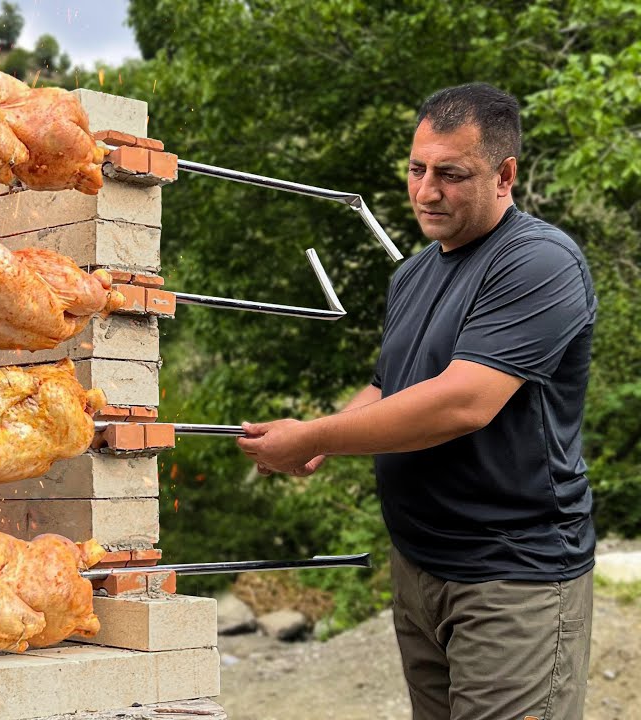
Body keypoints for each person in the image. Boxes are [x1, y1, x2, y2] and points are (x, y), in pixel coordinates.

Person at [236, 82, 597, 720]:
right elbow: (389, 387)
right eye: (416, 169)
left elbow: (463, 403)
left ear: (505, 175)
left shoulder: (539, 262)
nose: (426, 192)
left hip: (512, 578)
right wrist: (321, 440)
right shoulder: (414, 274)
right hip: (420, 566)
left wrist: (314, 435)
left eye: (451, 175)